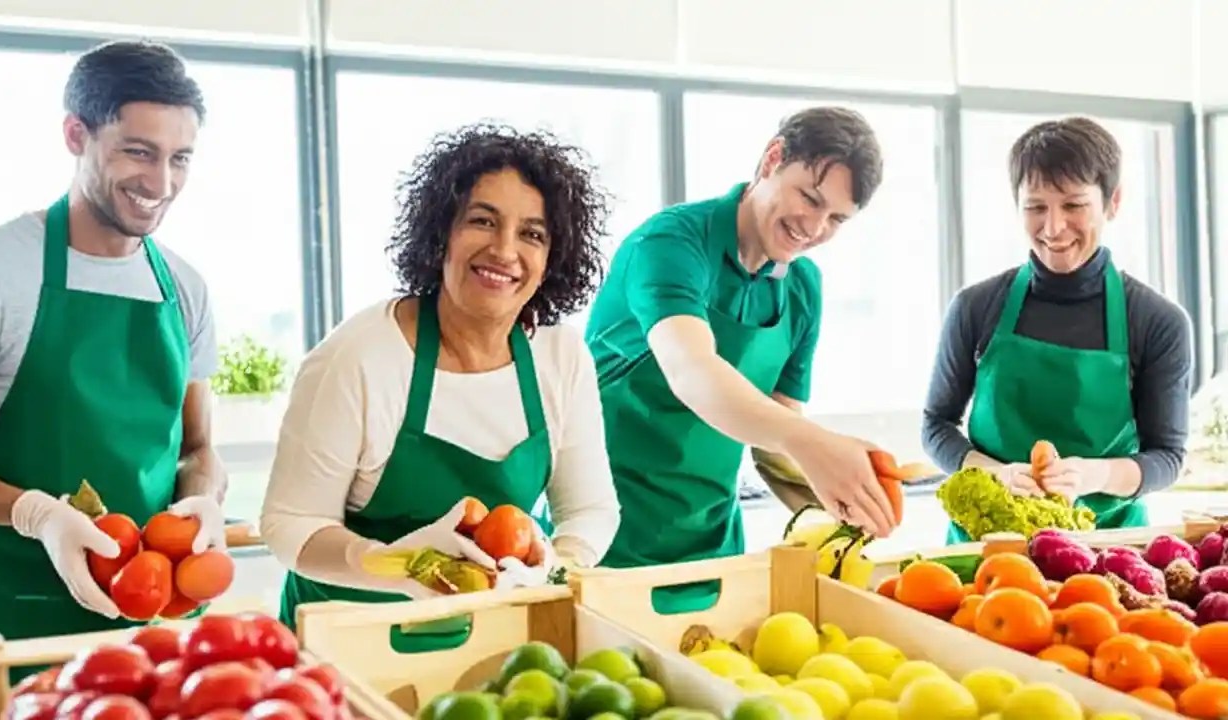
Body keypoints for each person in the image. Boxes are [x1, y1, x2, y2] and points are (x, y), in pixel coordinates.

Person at [261, 122, 621, 635]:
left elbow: (590, 509)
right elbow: (289, 525)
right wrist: (396, 565)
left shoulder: (560, 357)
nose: (504, 250)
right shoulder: (360, 358)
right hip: (346, 644)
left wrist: (554, 567)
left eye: (532, 234)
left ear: (552, 259)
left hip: (494, 642)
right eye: (482, 221)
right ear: (440, 234)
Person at [0, 40, 227, 651]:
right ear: (76, 135)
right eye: (138, 152)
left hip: (149, 625)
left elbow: (198, 447)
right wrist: (37, 515)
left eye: (180, 158)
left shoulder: (184, 289)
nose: (162, 182)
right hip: (12, 622)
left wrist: (203, 496)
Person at [582, 107, 894, 608]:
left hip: (715, 550)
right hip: (605, 544)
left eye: (836, 219)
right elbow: (691, 371)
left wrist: (842, 496)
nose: (813, 228)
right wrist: (814, 442)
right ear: (772, 159)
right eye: (809, 199)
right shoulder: (672, 244)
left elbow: (775, 438)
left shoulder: (802, 288)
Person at [922, 116, 1193, 544]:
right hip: (989, 547)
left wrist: (1094, 474)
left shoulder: (1157, 321)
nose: (1052, 228)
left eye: (1073, 205)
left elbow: (1167, 456)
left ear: (1112, 202)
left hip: (1109, 549)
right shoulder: (975, 307)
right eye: (1035, 207)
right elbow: (936, 426)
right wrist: (996, 475)